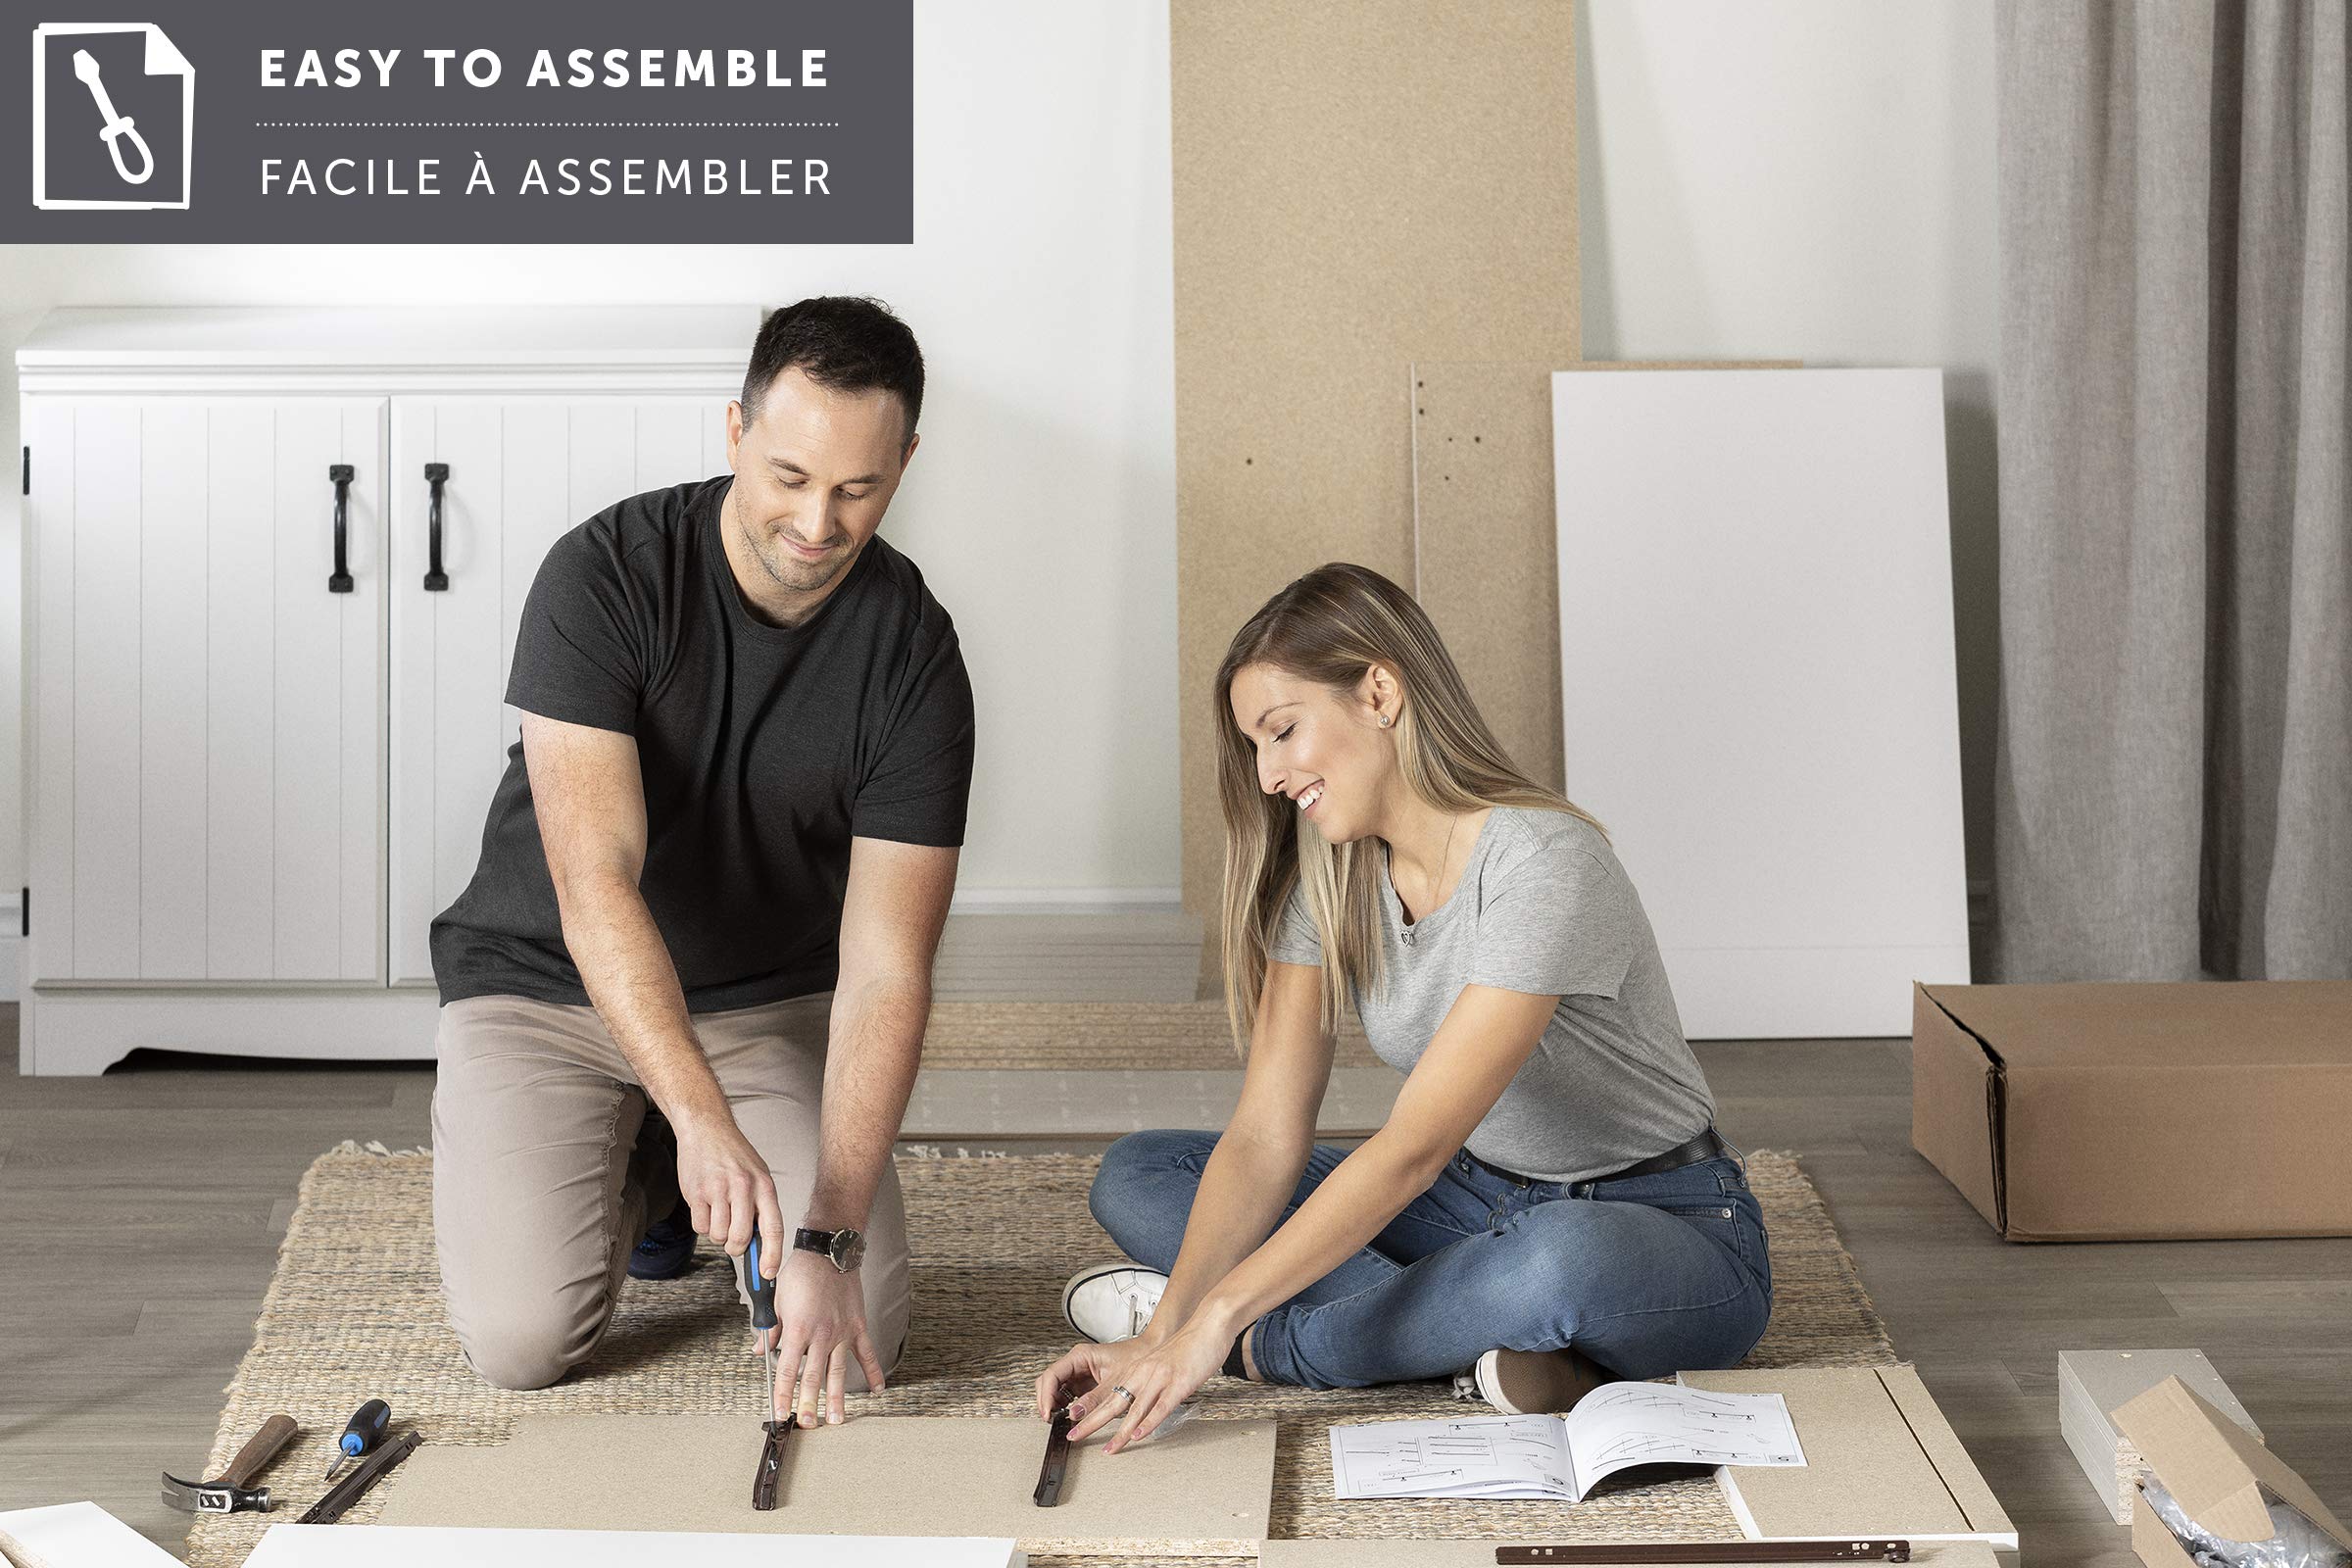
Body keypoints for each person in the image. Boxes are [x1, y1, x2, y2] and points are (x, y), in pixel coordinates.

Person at [1039, 564, 1770, 1452]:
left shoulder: (1543, 865)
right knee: (1143, 1176)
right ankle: (1486, 1342)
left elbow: (1413, 1149)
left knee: (1557, 1261)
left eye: (1281, 732)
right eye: (1254, 748)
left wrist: (1209, 1327)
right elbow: (1268, 1133)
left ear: (1379, 692)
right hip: (1476, 1200)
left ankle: (1288, 1350)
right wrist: (1165, 1333)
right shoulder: (1331, 879)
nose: (1268, 775)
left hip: (1665, 1222)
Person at [428, 297, 975, 1431]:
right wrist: (702, 1115)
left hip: (757, 1005)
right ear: (734, 430)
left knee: (860, 1315)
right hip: (543, 983)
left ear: (905, 462)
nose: (818, 521)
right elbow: (595, 886)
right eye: (788, 475)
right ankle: (656, 1160)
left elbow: (884, 971)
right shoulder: (603, 576)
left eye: (857, 488)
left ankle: (680, 1155)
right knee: (523, 1341)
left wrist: (825, 1231)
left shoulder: (914, 652)